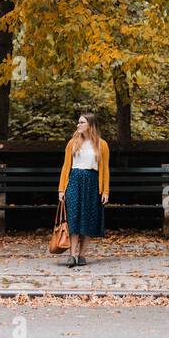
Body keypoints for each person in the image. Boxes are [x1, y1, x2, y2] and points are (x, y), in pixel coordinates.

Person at [57, 112, 109, 267]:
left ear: (90, 125)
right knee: (73, 217)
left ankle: (82, 255)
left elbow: (105, 169)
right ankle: (72, 255)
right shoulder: (72, 143)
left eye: (81, 122)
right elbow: (66, 167)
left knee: (88, 218)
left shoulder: (102, 145)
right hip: (74, 181)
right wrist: (61, 189)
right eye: (78, 122)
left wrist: (105, 191)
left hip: (93, 182)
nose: (78, 125)